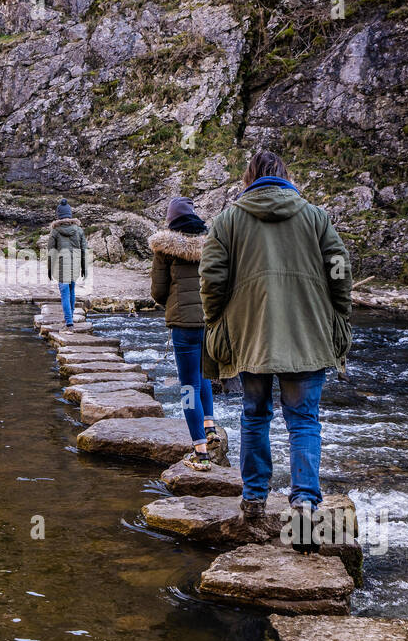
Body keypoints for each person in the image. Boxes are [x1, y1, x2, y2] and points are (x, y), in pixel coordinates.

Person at [199, 152, 352, 552]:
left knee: (254, 416)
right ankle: (303, 503)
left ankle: (253, 500)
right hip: (309, 335)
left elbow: (211, 277)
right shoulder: (316, 217)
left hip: (250, 336)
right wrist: (339, 315)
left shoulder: (228, 220)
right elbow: (340, 270)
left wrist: (218, 320)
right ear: (286, 177)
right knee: (303, 420)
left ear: (248, 177)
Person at [149, 196, 219, 471]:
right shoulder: (211, 243)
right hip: (209, 322)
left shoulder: (165, 247)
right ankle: (210, 426)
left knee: (188, 386)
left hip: (182, 327)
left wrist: (173, 304)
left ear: (171, 219)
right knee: (204, 376)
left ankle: (200, 452)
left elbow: (158, 291)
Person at [47, 199, 88, 327]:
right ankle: (70, 315)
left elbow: (51, 252)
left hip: (61, 266)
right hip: (75, 264)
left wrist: (49, 269)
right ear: (70, 214)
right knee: (71, 290)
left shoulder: (55, 231)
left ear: (59, 216)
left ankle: (69, 321)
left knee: (64, 292)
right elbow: (84, 251)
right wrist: (84, 268)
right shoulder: (79, 230)